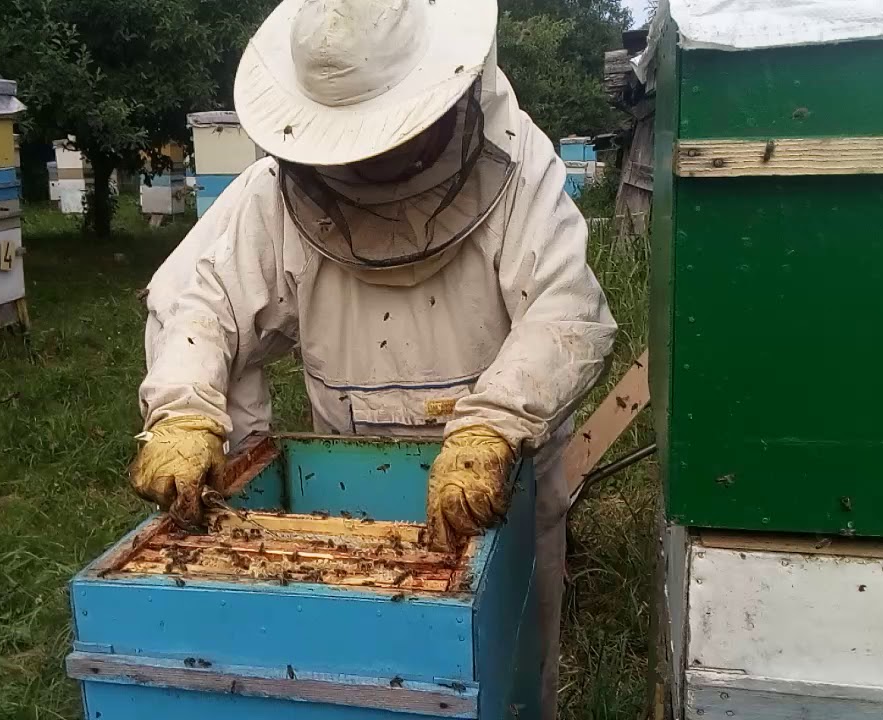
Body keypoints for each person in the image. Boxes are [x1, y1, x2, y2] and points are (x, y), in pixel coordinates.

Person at [132, 0, 616, 716]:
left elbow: (565, 309)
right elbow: (199, 300)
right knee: (362, 679)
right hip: (353, 471)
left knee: (510, 668)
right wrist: (184, 411)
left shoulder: (518, 163)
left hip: (501, 475)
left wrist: (494, 425)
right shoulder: (278, 193)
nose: (371, 161)